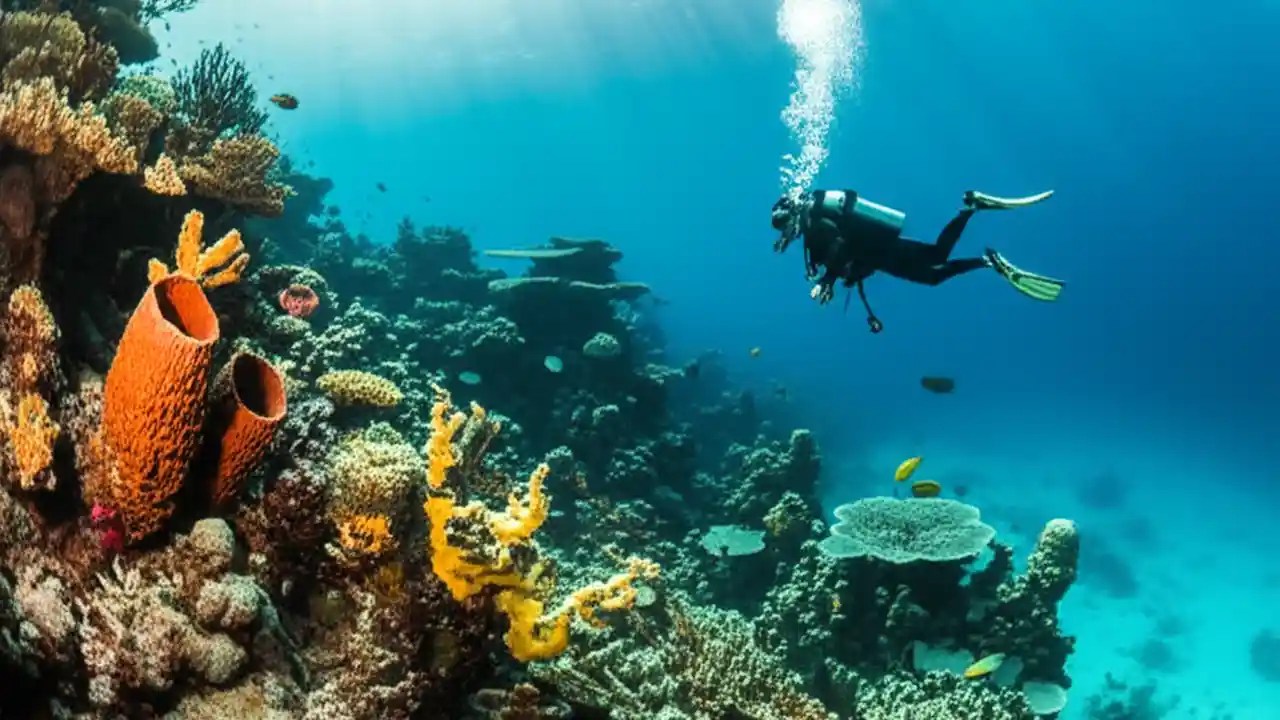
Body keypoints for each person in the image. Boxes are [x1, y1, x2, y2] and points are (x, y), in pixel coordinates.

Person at [770, 189, 1065, 332]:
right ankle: (986, 256)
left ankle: (972, 214)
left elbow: (837, 244)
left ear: (791, 213)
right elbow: (840, 249)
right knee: (934, 267)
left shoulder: (815, 223)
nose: (787, 232)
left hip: (881, 252)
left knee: (935, 265)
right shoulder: (812, 224)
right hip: (880, 251)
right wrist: (832, 277)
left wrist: (828, 279)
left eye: (784, 224)